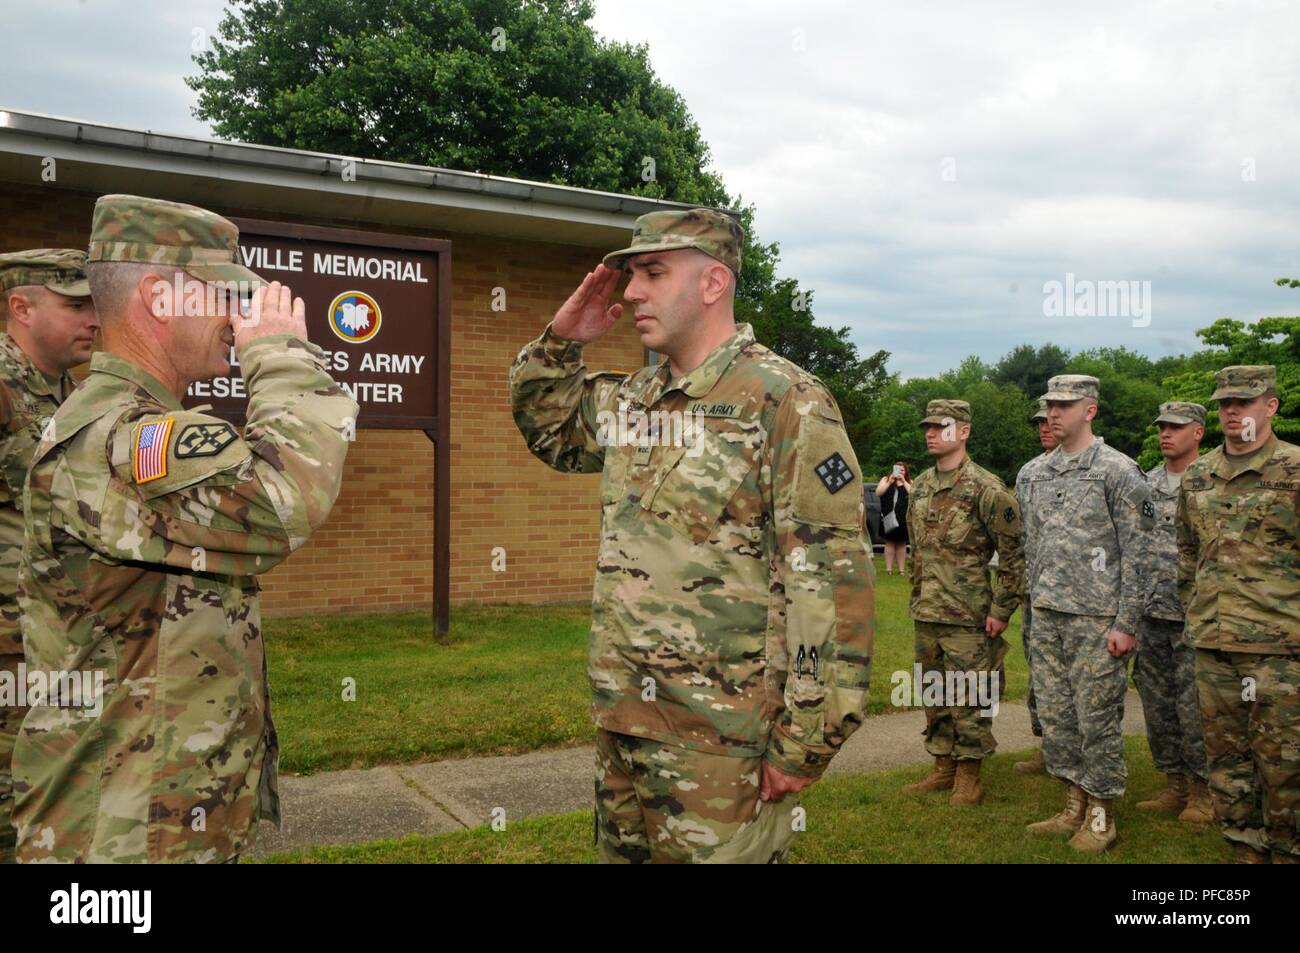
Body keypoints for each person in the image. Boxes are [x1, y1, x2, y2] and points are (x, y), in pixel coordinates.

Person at [509, 208, 874, 863]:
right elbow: (551, 428)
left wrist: (806, 738)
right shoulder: (637, 398)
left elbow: (832, 579)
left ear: (712, 283)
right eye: (630, 276)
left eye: (652, 272)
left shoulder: (787, 401)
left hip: (722, 740)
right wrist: (562, 342)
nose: (629, 293)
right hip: (624, 724)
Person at [12, 194, 357, 863]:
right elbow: (287, 498)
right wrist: (283, 354)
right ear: (159, 298)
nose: (237, 316)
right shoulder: (126, 435)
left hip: (155, 811)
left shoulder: (128, 419)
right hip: (121, 834)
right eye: (224, 293)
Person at [1018, 375, 1153, 851]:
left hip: (1098, 622)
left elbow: (1140, 554)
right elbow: (1029, 549)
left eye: (1065, 405)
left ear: (1089, 410)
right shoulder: (1033, 473)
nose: (1053, 413)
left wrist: (1126, 623)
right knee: (1057, 717)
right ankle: (1072, 801)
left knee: (1096, 719)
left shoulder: (1117, 471)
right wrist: (1032, 611)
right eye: (1049, 405)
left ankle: (1101, 813)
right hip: (1048, 616)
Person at [1176, 365, 1299, 864]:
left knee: (1285, 763)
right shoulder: (1199, 475)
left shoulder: (1293, 470)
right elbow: (1186, 554)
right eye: (1225, 403)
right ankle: (1244, 852)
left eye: (1244, 402)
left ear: (1270, 406)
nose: (1232, 411)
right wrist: (1197, 610)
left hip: (1281, 649)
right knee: (1226, 762)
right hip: (1214, 645)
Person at [0, 249, 98, 863]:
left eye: (96, 305)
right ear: (21, 307)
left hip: (54, 634)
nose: (94, 319)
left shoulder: (72, 395)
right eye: (76, 305)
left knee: (49, 784)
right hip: (7, 638)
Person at [900, 400, 1023, 806]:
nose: (931, 433)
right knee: (935, 693)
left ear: (964, 431)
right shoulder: (920, 486)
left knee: (970, 695)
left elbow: (1013, 555)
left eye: (941, 427)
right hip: (928, 612)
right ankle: (944, 765)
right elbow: (918, 551)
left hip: (970, 616)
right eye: (928, 427)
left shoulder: (987, 489)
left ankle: (970, 773)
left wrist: (1002, 610)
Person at [1133, 401, 1211, 823]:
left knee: (1195, 706)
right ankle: (1174, 784)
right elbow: (1133, 540)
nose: (1166, 434)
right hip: (1150, 613)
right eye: (1162, 426)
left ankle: (1204, 791)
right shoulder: (1144, 485)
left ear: (1197, 432)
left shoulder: (1209, 483)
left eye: (1176, 427)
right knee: (1158, 706)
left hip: (1196, 616)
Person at [1012, 399, 1058, 775]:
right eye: (1038, 422)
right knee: (1040, 672)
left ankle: (1074, 754)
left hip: (1082, 599)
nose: (1044, 426)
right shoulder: (1028, 473)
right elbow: (1020, 537)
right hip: (1035, 594)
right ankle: (1046, 747)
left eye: (1049, 420)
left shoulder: (1107, 468)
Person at [875, 462, 911, 574]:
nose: (900, 472)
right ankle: (889, 569)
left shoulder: (909, 482)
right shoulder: (886, 479)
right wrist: (890, 482)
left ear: (906, 472)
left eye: (902, 470)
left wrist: (904, 481)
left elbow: (914, 494)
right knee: (889, 543)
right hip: (888, 518)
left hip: (903, 519)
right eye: (897, 469)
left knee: (902, 544)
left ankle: (901, 570)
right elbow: (878, 492)